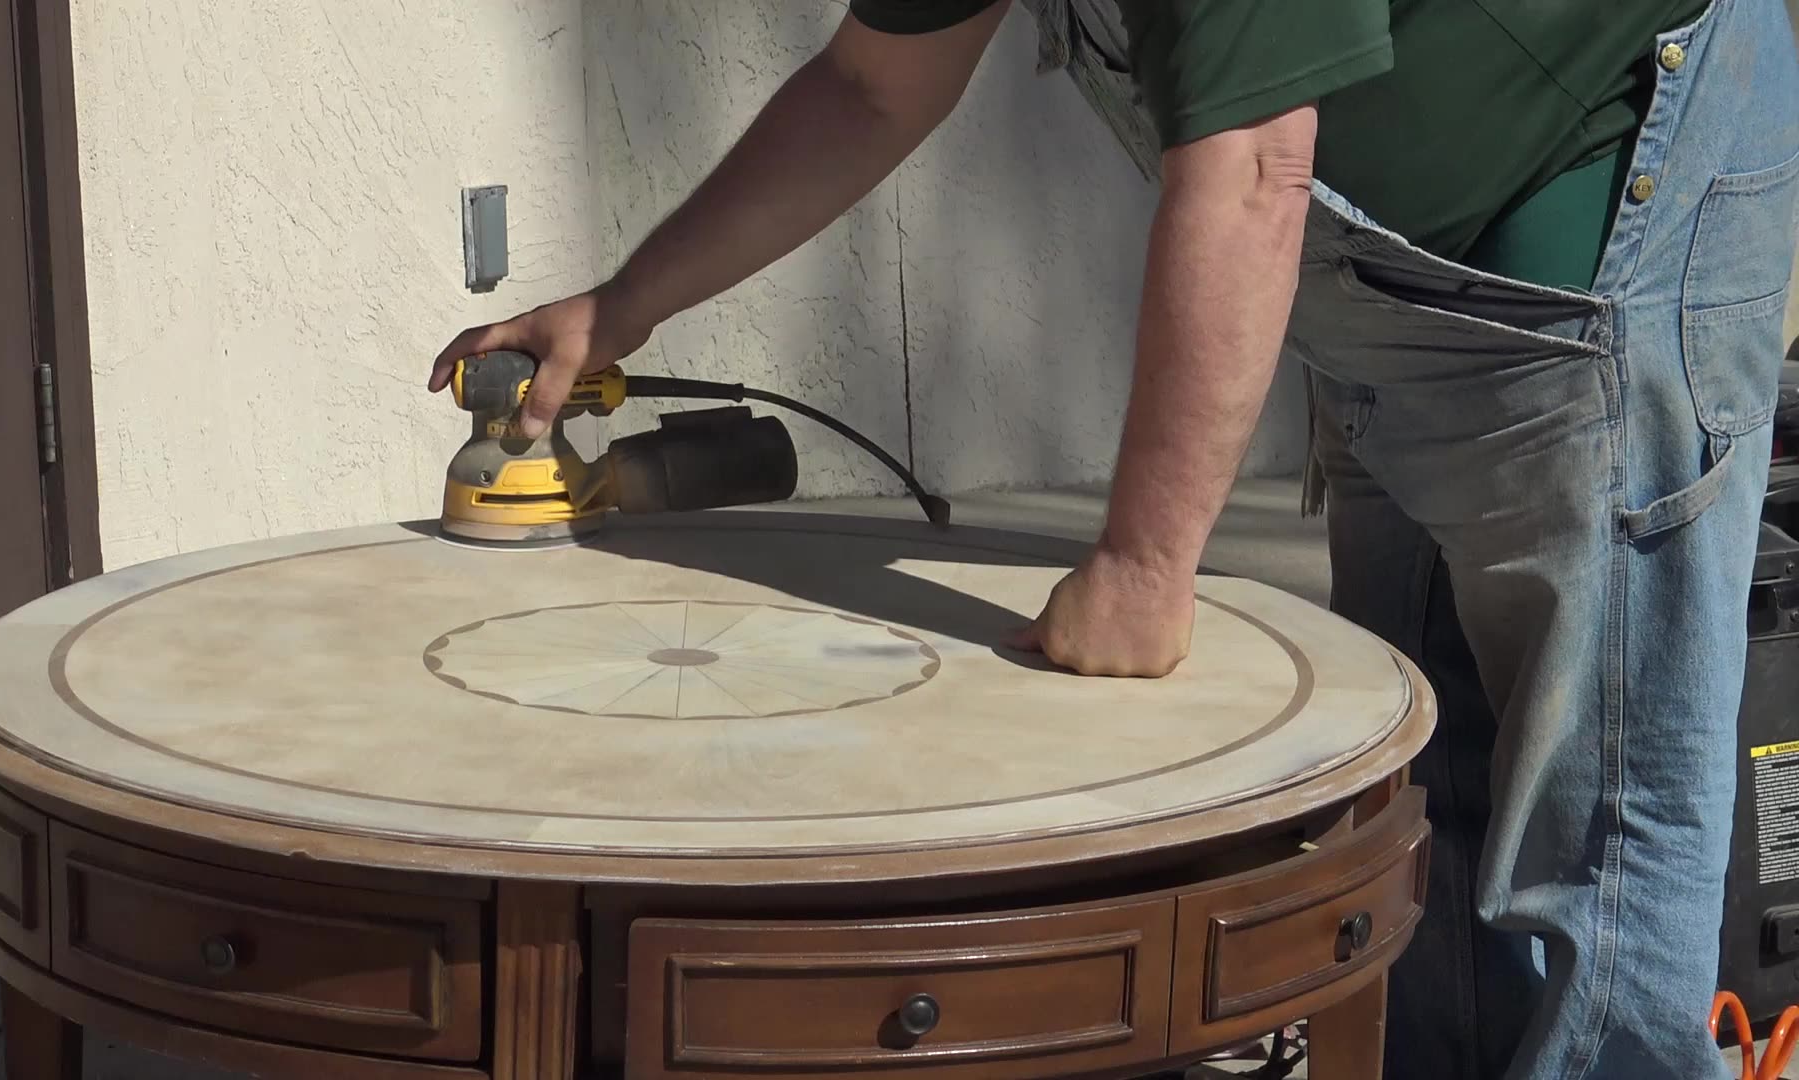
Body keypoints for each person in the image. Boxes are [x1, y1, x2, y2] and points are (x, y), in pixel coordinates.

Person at [429, 1, 1799, 1075]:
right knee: (1423, 824)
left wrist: (1147, 565)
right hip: (1387, 277)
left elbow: (1255, 171)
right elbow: (871, 87)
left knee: (1596, 870)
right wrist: (624, 307)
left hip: (1607, 214)